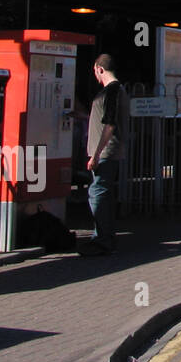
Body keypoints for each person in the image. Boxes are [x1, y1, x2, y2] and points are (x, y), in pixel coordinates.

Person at [80, 54, 125, 256]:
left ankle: (102, 239)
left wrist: (96, 154)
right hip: (109, 151)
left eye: (95, 72)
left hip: (106, 152)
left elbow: (109, 123)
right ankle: (104, 237)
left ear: (99, 69)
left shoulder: (112, 90)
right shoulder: (117, 91)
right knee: (103, 194)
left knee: (97, 194)